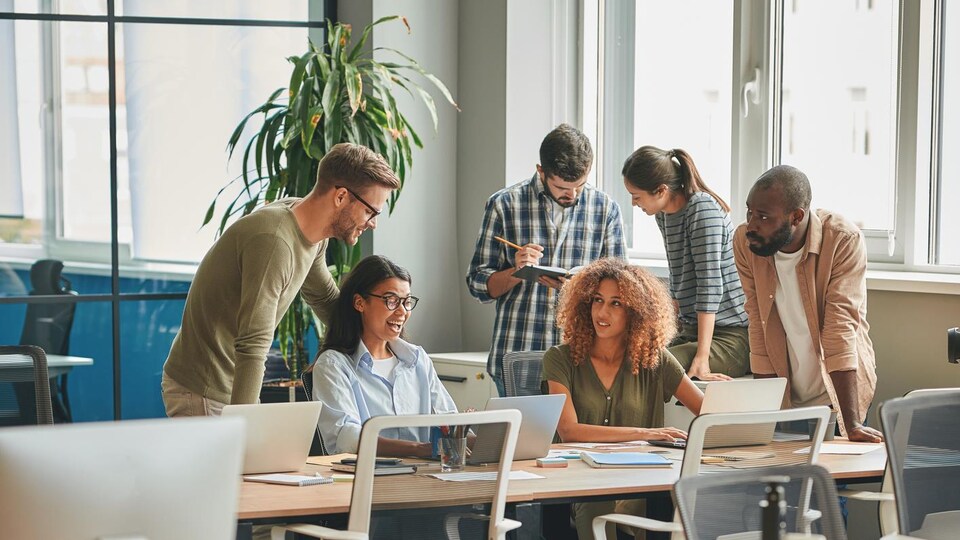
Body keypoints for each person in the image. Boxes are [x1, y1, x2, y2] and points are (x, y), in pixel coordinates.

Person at [161, 143, 400, 416]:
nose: (373, 223)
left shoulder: (309, 231)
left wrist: (383, 332)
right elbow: (253, 343)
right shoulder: (274, 242)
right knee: (247, 444)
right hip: (205, 388)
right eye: (371, 212)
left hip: (228, 383)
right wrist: (245, 424)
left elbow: (324, 298)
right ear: (341, 196)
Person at [541, 258, 704, 539]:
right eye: (597, 300)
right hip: (580, 481)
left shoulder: (655, 359)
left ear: (636, 312)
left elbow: (709, 414)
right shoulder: (559, 359)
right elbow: (569, 431)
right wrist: (646, 434)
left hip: (639, 478)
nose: (602, 312)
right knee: (598, 503)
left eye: (616, 303)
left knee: (679, 499)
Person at [466, 123, 626, 392]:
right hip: (517, 356)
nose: (572, 195)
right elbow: (477, 284)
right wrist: (516, 271)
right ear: (541, 171)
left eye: (580, 185)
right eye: (562, 187)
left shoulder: (606, 209)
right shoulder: (504, 204)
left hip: (581, 361)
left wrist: (580, 287)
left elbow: (622, 288)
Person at [733, 164, 882, 442]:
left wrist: (851, 424)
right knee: (778, 468)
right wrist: (766, 416)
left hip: (838, 394)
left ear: (796, 217)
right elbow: (758, 323)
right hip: (787, 394)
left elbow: (840, 329)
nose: (751, 225)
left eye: (763, 216)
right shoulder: (746, 242)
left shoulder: (842, 240)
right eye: (749, 212)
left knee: (839, 469)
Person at [622, 146, 750, 381]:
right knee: (629, 360)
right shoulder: (663, 214)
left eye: (636, 196)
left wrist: (702, 359)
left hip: (730, 337)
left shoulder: (702, 210)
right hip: (692, 331)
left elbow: (709, 287)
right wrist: (663, 334)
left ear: (661, 190)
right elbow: (678, 278)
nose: (633, 203)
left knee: (649, 370)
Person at [311, 255, 458, 456]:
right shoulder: (333, 365)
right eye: (391, 301)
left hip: (424, 471)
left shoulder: (417, 359)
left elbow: (449, 422)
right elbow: (347, 438)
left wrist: (481, 438)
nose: (402, 312)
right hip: (368, 472)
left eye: (407, 302)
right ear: (359, 303)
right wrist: (419, 449)